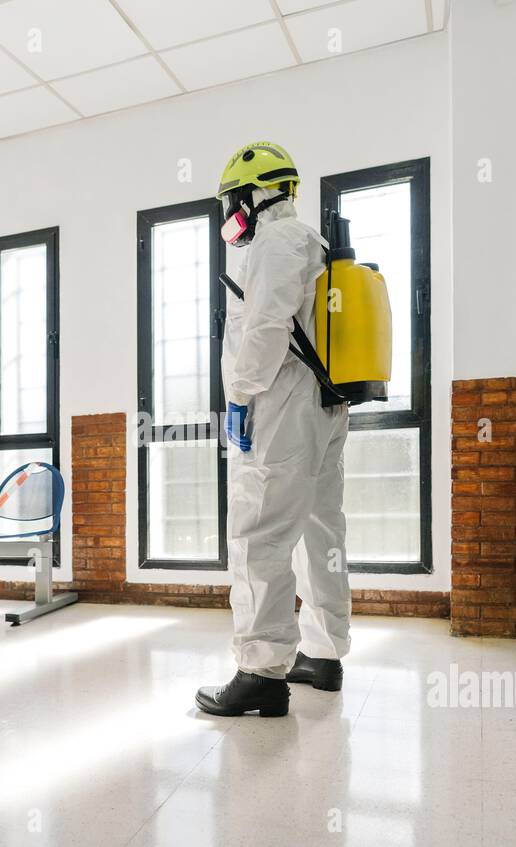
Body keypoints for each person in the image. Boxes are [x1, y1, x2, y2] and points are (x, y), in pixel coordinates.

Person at [195, 141, 352, 718]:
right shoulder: (313, 240)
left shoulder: (274, 242)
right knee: (319, 528)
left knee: (259, 533)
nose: (229, 213)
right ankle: (323, 652)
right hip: (323, 407)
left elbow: (265, 326)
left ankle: (260, 671)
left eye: (231, 200)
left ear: (253, 194)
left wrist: (238, 395)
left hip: (282, 406)